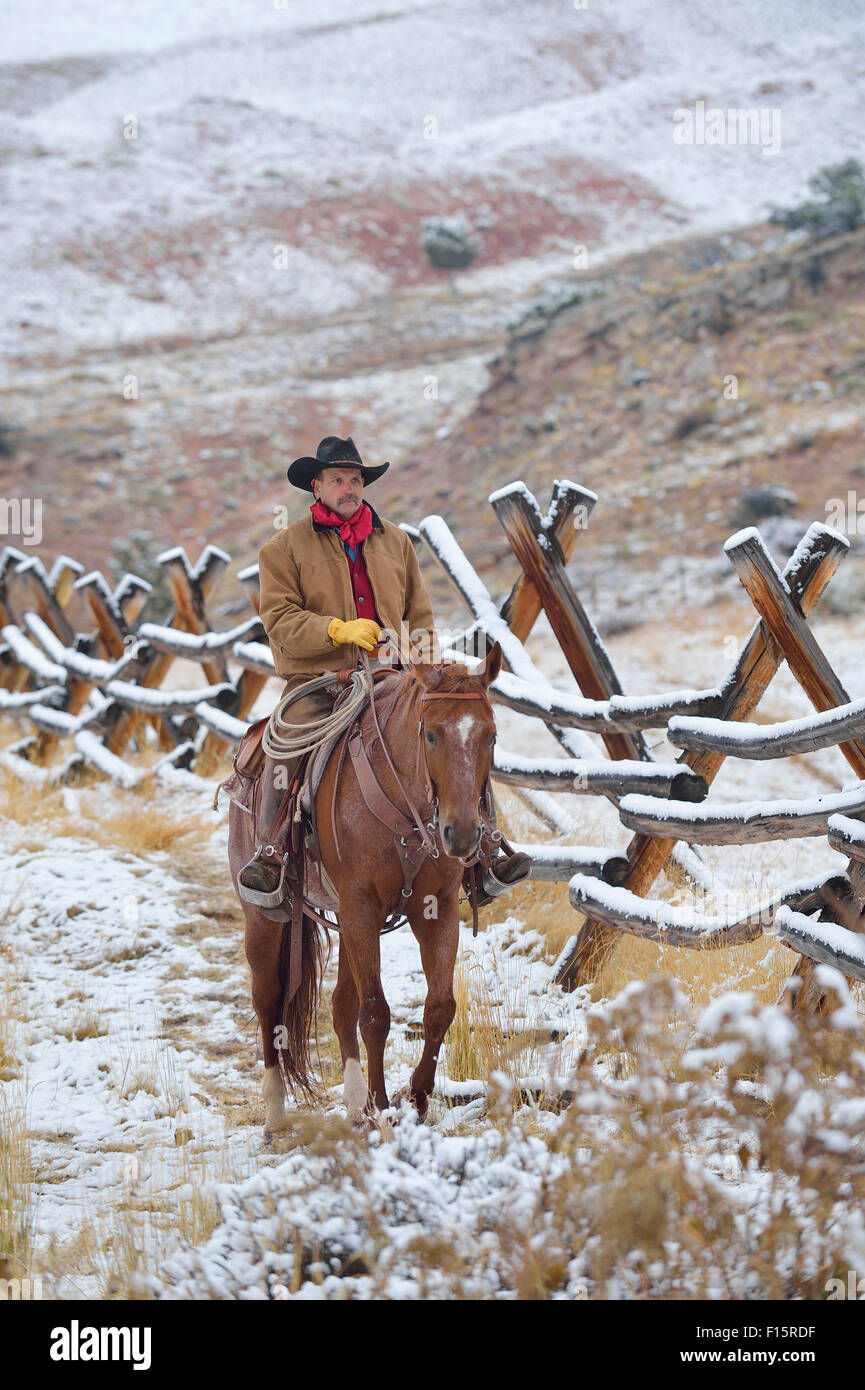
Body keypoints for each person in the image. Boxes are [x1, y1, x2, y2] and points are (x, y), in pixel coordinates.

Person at [237, 434, 530, 903]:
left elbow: (420, 614)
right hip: (320, 683)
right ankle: (272, 853)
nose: (350, 488)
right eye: (338, 480)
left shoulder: (395, 542)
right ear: (317, 486)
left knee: (458, 733)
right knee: (286, 737)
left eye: (356, 479)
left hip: (395, 676)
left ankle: (486, 845)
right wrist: (336, 630)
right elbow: (279, 620)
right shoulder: (282, 549)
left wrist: (428, 666)